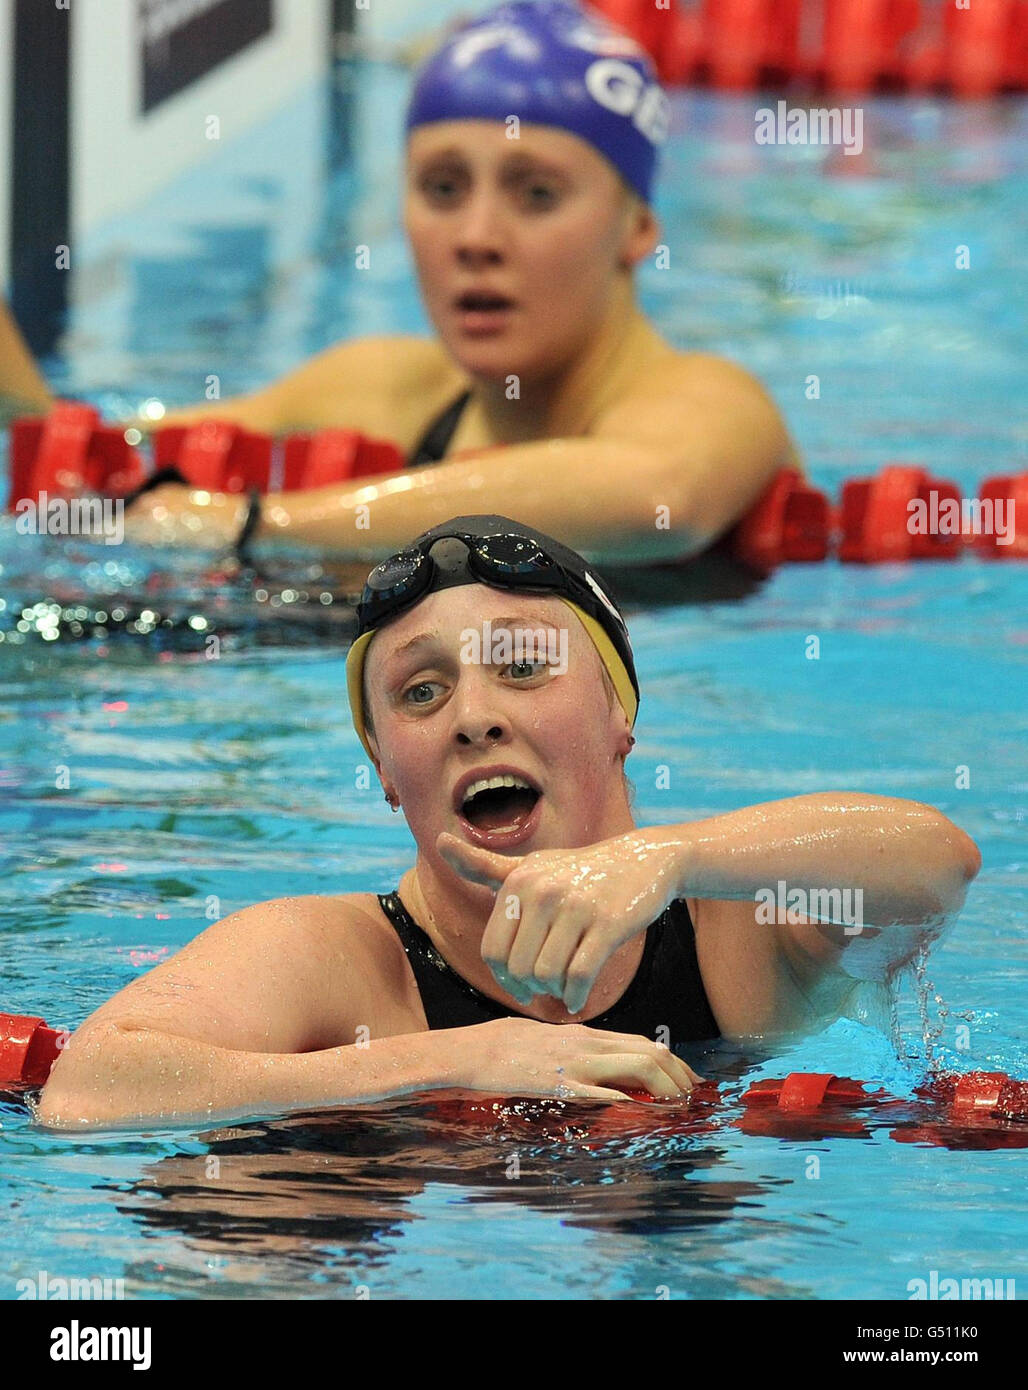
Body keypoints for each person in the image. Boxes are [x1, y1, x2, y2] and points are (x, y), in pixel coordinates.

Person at [36, 514, 981, 1131]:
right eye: (421, 690)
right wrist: (458, 1060)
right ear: (385, 775)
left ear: (621, 716)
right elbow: (87, 1090)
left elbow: (939, 867)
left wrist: (674, 857)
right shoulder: (338, 959)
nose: (474, 715)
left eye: (523, 667)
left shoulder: (733, 930)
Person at [1, 0, 800, 567]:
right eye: (444, 189)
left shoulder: (715, 402)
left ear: (638, 228)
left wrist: (253, 525)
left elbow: (660, 498)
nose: (477, 239)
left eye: (537, 195)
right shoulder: (384, 387)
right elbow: (107, 457)